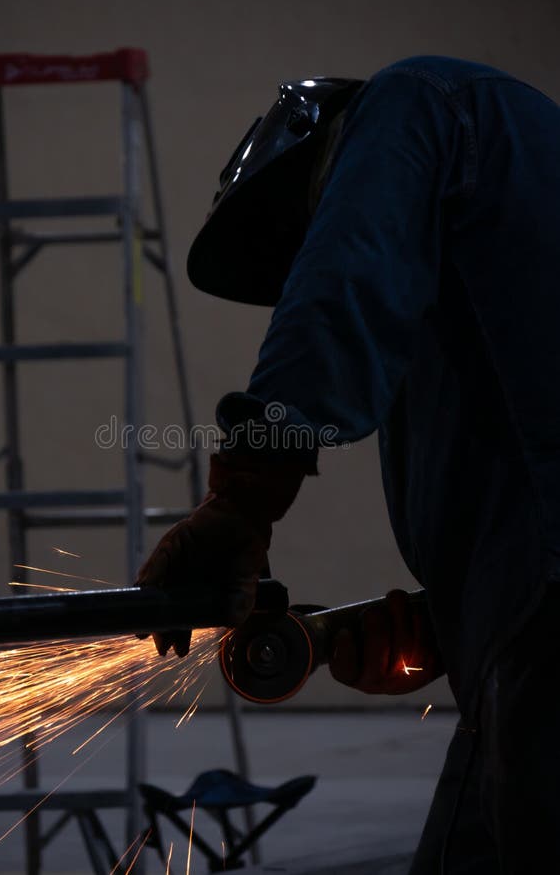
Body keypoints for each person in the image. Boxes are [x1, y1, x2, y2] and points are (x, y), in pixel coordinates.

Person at [137, 56, 560, 873]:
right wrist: (443, 627)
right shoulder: (492, 239)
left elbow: (341, 293)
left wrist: (241, 506)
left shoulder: (419, 106)